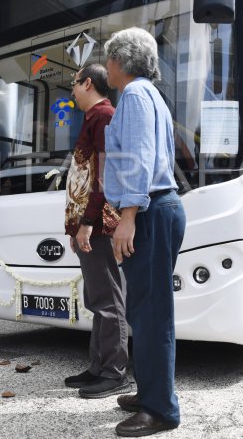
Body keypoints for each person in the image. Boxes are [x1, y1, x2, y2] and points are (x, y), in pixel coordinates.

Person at [102, 28, 186, 436]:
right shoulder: (152, 95)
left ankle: (160, 409)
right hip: (159, 207)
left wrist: (128, 215)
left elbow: (137, 158)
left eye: (108, 60)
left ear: (118, 61)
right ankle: (150, 391)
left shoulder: (134, 95)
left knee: (151, 316)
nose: (106, 68)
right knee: (144, 310)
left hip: (148, 209)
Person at [62, 63, 130, 399]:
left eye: (74, 84)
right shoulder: (95, 117)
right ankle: (98, 366)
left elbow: (104, 175)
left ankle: (114, 371)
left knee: (107, 298)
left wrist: (86, 223)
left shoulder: (103, 116)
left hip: (99, 224)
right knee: (96, 297)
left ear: (87, 83)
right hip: (90, 224)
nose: (72, 91)